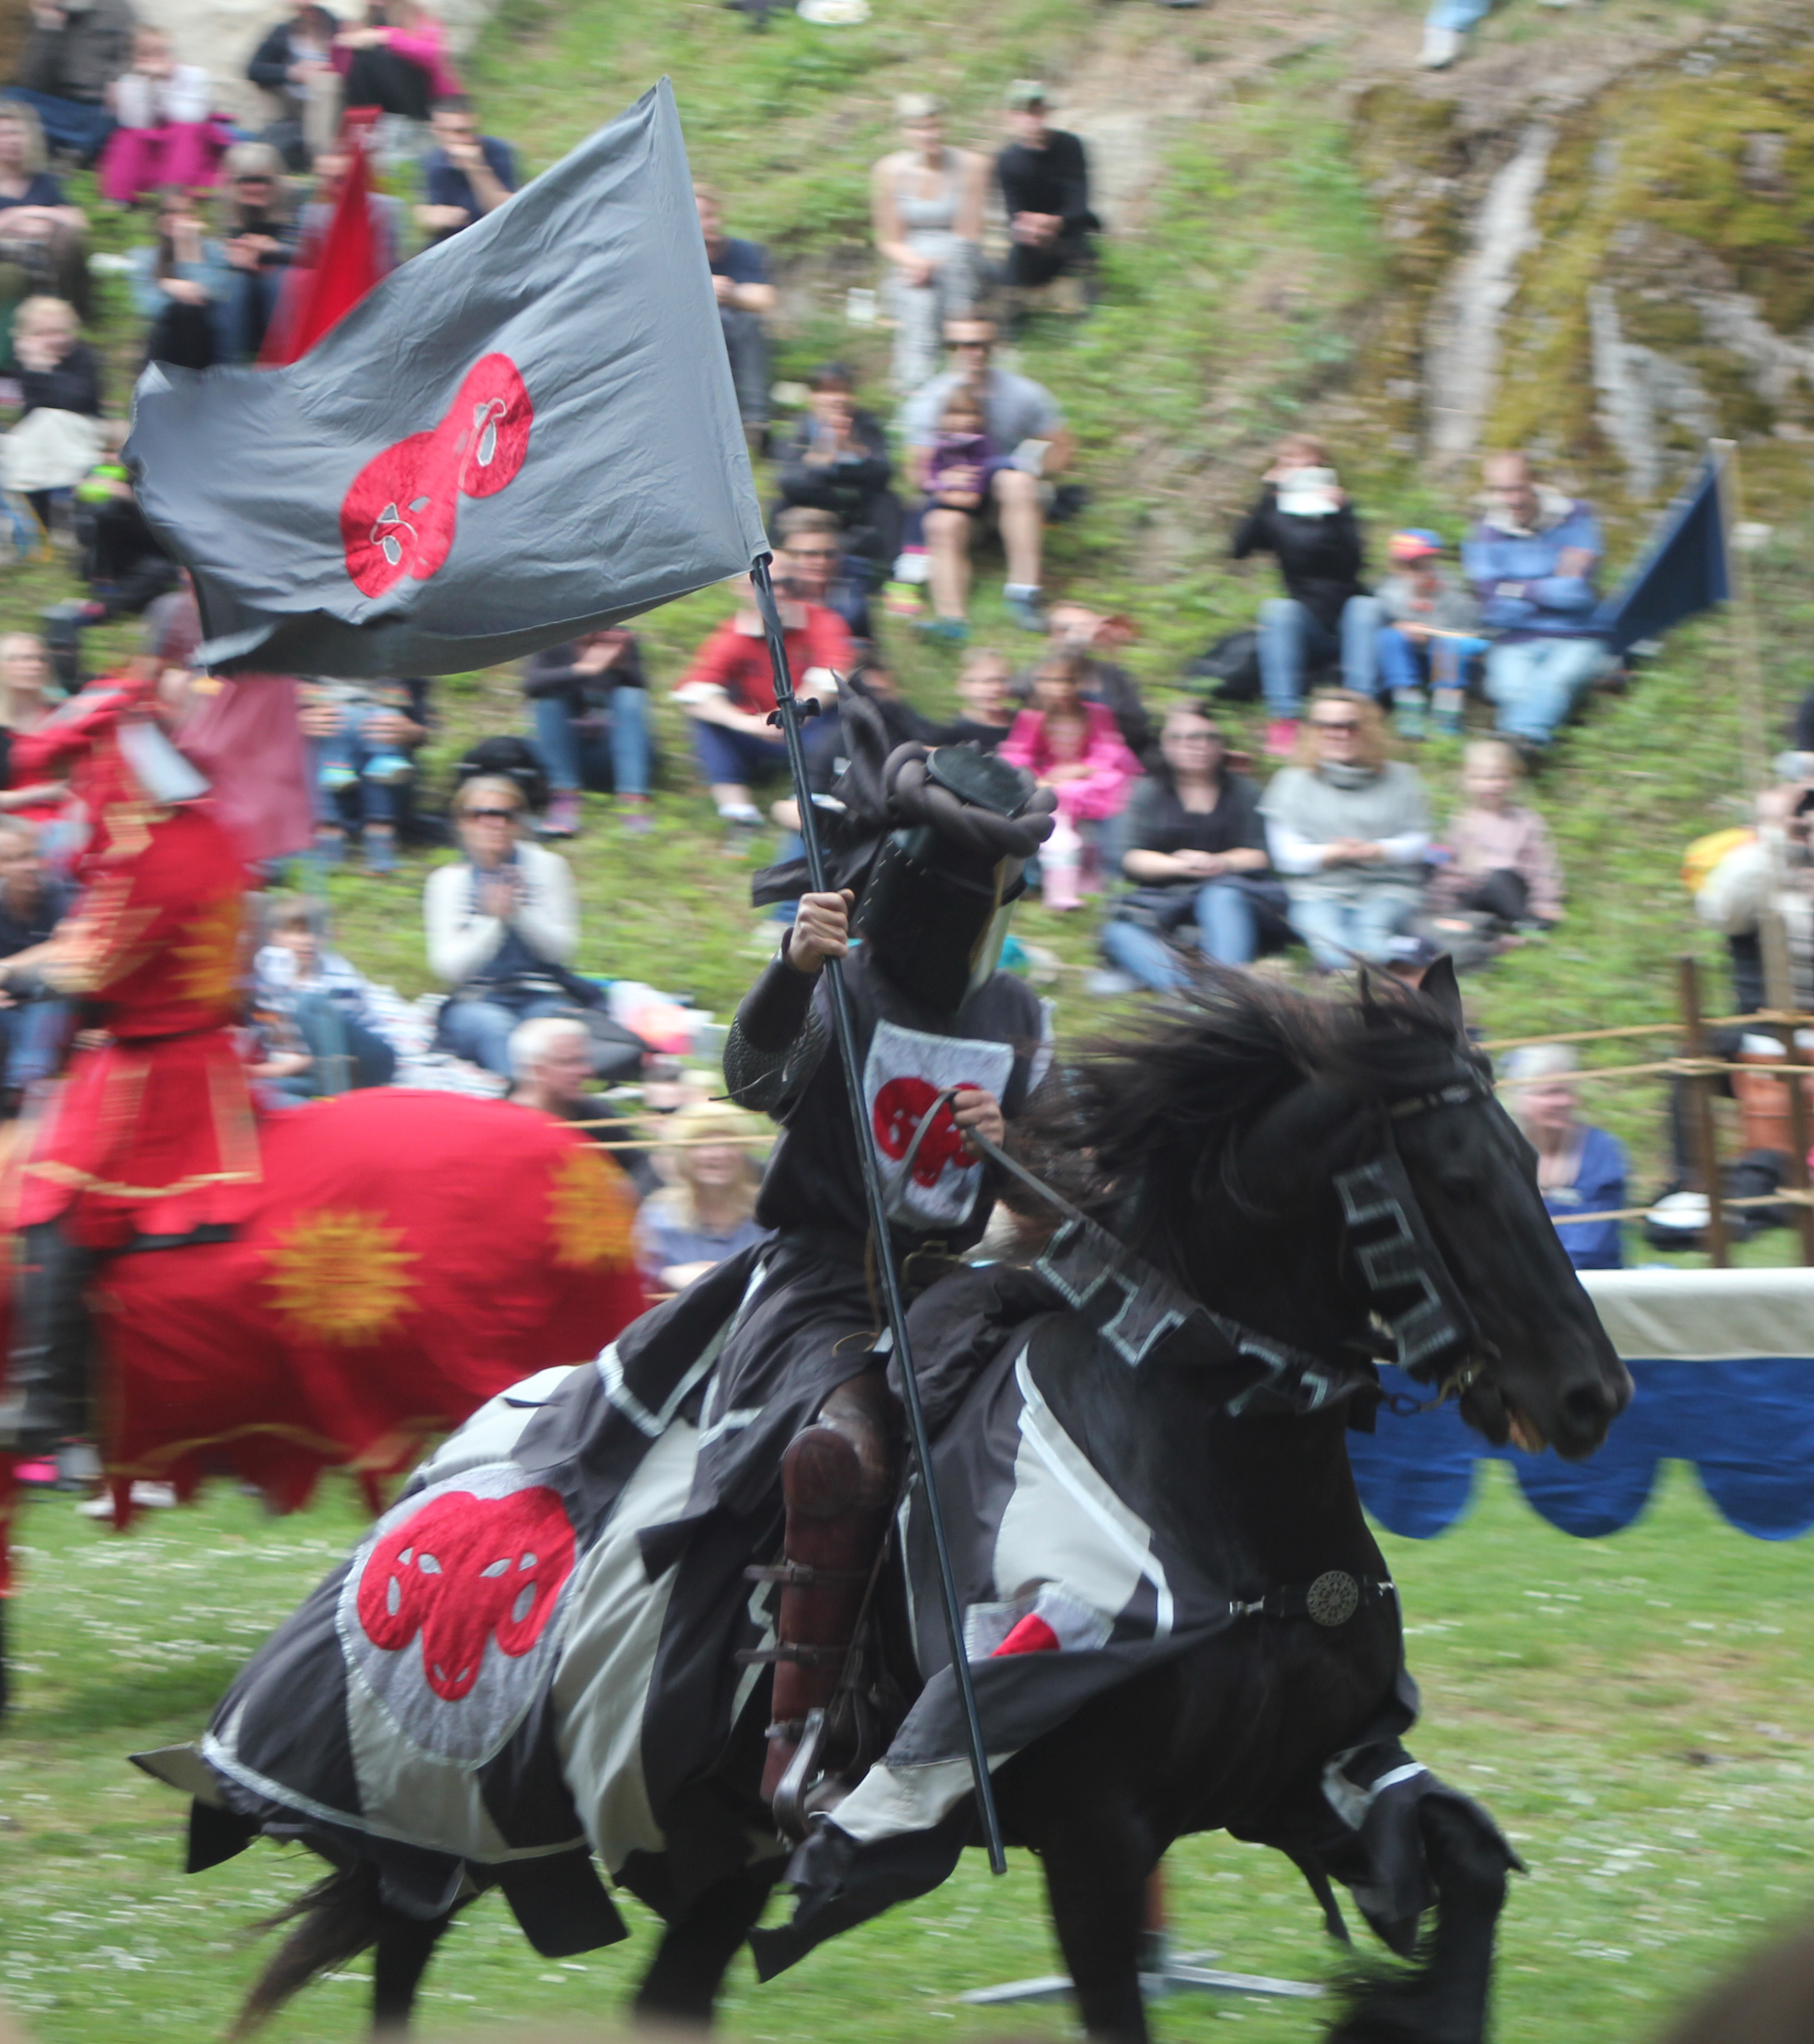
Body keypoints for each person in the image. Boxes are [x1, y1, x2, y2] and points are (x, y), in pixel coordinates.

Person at [720, 727, 1054, 1807]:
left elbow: (1051, 1205)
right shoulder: (844, 981)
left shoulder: (1016, 1015)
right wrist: (790, 972)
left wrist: (1014, 1150)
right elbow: (751, 1079)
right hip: (819, 1287)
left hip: (953, 1296)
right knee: (845, 1455)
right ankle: (798, 1739)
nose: (1007, 914)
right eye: (997, 891)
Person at [0, 680, 261, 1462]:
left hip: (156, 1073)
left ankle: (49, 1402)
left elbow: (91, 964)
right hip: (173, 1048)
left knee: (54, 1196)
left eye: (88, 767)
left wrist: (13, 976)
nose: (80, 786)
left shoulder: (153, 855)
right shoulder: (194, 833)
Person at [900, 317, 1071, 635]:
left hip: (1008, 493)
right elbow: (916, 466)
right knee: (941, 524)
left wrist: (1034, 466)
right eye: (960, 344)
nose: (971, 352)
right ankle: (952, 620)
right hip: (957, 499)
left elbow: (1061, 446)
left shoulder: (1024, 393)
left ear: (993, 347)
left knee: (1015, 481)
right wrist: (944, 483)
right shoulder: (929, 401)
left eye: (979, 344)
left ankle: (1024, 591)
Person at [1100, 701, 1280, 989]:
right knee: (1118, 932)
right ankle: (1195, 992)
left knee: (1220, 896)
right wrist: (1182, 865)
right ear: (1167, 745)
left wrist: (1221, 863)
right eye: (1187, 739)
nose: (1199, 746)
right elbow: (1129, 857)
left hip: (1232, 895)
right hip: (1166, 900)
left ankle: (1221, 986)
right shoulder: (1147, 791)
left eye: (1209, 738)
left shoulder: (1244, 790)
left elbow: (1261, 855)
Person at [1230, 433, 1381, 758]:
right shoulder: (1276, 510)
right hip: (1306, 621)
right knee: (1276, 611)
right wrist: (1266, 495)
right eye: (1289, 462)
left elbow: (1355, 564)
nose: (1297, 469)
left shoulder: (1340, 508)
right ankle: (1284, 719)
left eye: (1306, 462)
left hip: (1346, 618)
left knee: (1366, 608)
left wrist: (1339, 514)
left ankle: (1361, 717)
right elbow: (1239, 549)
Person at [424, 772, 583, 1078]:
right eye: (479, 815)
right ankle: (529, 1108)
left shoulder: (547, 867)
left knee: (548, 1036)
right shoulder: (447, 881)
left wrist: (519, 914)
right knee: (496, 1029)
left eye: (505, 816)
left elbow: (564, 950)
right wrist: (490, 922)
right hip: (477, 1000)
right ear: (462, 823)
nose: (493, 824)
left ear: (519, 824)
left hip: (541, 993)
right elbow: (448, 968)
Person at [1261, 688, 1431, 969]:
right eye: (1326, 726)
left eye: (1350, 725)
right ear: (1312, 732)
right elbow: (1286, 856)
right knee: (1330, 941)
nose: (1339, 734)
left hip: (1387, 888)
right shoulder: (1291, 783)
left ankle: (1382, 978)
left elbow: (1419, 842)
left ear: (1369, 730)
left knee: (1373, 928)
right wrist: (1335, 853)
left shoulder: (1403, 778)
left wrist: (1378, 851)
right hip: (1318, 892)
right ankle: (1359, 979)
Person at [674, 570, 854, 833]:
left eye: (785, 583)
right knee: (708, 720)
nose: (777, 592)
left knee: (845, 714)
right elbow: (694, 691)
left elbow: (836, 673)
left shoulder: (820, 621)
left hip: (810, 728)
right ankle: (738, 810)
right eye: (765, 584)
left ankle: (816, 796)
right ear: (743, 589)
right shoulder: (734, 634)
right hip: (761, 731)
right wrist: (747, 723)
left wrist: (792, 712)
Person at [1462, 452, 1607, 756]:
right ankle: (1525, 747)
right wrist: (1550, 584)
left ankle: (1515, 748)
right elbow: (1494, 609)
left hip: (1577, 635)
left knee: (1556, 679)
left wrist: (1515, 588)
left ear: (1534, 483)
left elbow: (1578, 594)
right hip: (1514, 639)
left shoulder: (1576, 518)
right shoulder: (1484, 533)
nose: (1511, 499)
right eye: (1500, 490)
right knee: (1509, 688)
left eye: (1517, 488)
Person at [999, 646, 1141, 910]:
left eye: (1066, 681)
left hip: (1089, 779)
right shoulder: (1033, 718)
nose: (1060, 689)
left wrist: (1077, 770)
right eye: (1050, 681)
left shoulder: (1097, 714)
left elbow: (1108, 752)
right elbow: (1019, 755)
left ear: (1078, 683)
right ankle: (1059, 889)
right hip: (1052, 781)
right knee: (1058, 819)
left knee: (1098, 802)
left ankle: (1091, 878)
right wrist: (1038, 779)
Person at [871, 94, 985, 394]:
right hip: (912, 258)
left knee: (955, 271)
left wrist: (932, 265)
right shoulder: (889, 170)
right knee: (920, 301)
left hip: (957, 256)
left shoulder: (971, 165)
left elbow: (969, 233)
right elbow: (889, 238)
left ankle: (963, 378)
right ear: (906, 131)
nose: (929, 135)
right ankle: (915, 387)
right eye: (919, 128)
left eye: (934, 127)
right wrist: (915, 264)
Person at [1423, 737, 1563, 955]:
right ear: (1469, 780)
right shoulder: (1459, 823)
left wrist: (1546, 903)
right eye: (1484, 778)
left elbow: (1542, 867)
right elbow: (1446, 869)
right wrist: (1440, 903)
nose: (1493, 785)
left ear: (1513, 780)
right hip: (1474, 895)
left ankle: (1525, 924)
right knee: (1432, 861)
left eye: (1501, 777)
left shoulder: (1526, 821)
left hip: (1511, 892)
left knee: (1498, 878)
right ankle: (1491, 934)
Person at [250, 899, 399, 1101]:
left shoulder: (338, 975)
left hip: (364, 1058)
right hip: (314, 1069)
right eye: (298, 932)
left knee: (308, 1003)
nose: (309, 940)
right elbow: (263, 1021)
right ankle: (317, 1107)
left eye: (317, 933)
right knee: (261, 1093)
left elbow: (341, 1042)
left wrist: (278, 1068)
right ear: (275, 936)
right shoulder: (266, 968)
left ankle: (338, 1095)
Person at [1500, 1044, 1625, 1272]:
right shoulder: (1500, 1152)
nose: (1565, 1102)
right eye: (1551, 1092)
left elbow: (1590, 1244)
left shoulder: (1601, 1151)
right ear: (1521, 1098)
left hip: (1590, 1282)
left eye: (1569, 1091)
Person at [521, 627, 652, 838]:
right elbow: (531, 684)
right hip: (567, 753)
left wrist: (621, 664)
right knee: (547, 703)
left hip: (614, 755)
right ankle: (565, 797)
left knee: (630, 697)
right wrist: (582, 669)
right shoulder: (554, 641)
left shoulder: (620, 640)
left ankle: (633, 800)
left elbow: (640, 688)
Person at [772, 362, 900, 574]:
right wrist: (821, 463)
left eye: (843, 392)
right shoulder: (800, 428)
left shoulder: (866, 425)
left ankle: (887, 571)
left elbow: (883, 473)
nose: (836, 399)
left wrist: (855, 453)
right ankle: (777, 567)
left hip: (856, 502)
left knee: (889, 503)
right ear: (812, 397)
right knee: (778, 505)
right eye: (827, 392)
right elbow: (787, 480)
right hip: (812, 497)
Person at [633, 1097, 769, 1292]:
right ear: (682, 1155)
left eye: (729, 1143)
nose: (719, 1154)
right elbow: (637, 1282)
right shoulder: (657, 1215)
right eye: (704, 1144)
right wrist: (668, 1275)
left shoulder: (768, 1210)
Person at [1372, 528, 1483, 740]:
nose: (1414, 572)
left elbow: (1469, 632)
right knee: (1390, 638)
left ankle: (1446, 716)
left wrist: (1430, 631)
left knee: (1448, 646)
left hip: (1450, 651)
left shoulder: (1454, 591)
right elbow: (1386, 621)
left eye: (1421, 564)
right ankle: (1408, 703)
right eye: (1406, 565)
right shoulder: (1389, 591)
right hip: (1411, 655)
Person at [7, 293, 102, 535]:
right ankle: (34, 513)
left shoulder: (83, 357)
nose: (53, 340)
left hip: (80, 431)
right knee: (32, 432)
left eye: (59, 332)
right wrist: (36, 367)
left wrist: (43, 368)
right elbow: (31, 409)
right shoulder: (26, 364)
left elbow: (75, 400)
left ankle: (37, 504)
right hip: (40, 441)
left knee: (48, 422)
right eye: (42, 334)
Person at [996, 80, 1095, 307]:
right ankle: (1013, 328)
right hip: (1032, 238)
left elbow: (1079, 202)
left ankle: (1093, 320)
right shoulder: (1008, 160)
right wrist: (1029, 228)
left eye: (1038, 111)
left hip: (1071, 229)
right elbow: (1014, 212)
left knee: (1084, 251)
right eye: (1026, 113)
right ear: (1012, 116)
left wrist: (1054, 222)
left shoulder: (1070, 146)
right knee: (1015, 265)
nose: (1033, 119)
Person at [98, 27, 222, 207]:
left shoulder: (194, 76)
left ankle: (176, 193)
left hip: (187, 138)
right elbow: (136, 122)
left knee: (184, 132)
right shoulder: (131, 81)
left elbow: (190, 116)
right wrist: (146, 83)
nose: (155, 59)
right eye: (145, 54)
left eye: (160, 52)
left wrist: (165, 84)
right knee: (129, 137)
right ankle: (120, 198)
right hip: (152, 140)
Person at [694, 182, 774, 452]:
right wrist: (701, 287)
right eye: (704, 217)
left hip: (735, 329)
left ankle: (755, 422)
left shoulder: (742, 252)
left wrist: (730, 294)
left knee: (747, 325)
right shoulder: (669, 253)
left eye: (714, 215)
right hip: (685, 330)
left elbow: (765, 299)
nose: (712, 223)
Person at [0, 101, 90, 339]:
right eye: (4, 134)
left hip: (45, 256)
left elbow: (79, 222)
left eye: (17, 133)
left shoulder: (43, 181)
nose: (12, 141)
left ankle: (75, 317)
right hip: (7, 261)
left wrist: (31, 215)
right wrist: (18, 218)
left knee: (70, 241)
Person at [8, 0, 137, 164]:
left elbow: (131, 57)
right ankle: (75, 149)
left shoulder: (117, 9)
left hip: (97, 107)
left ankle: (71, 149)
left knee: (114, 123)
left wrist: (118, 80)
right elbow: (33, 82)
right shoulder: (50, 10)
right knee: (11, 99)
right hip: (59, 105)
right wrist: (47, 28)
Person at [0, 816, 72, 1099]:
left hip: (50, 1001)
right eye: (13, 859)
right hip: (10, 1005)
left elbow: (69, 946)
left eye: (32, 855)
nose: (28, 866)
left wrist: (7, 968)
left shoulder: (61, 893)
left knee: (55, 981)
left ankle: (26, 1083)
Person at [212, 141, 296, 360]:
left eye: (262, 180)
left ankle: (283, 366)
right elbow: (210, 253)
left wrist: (277, 249)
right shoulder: (224, 211)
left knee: (271, 281)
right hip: (242, 285)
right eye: (245, 180)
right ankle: (230, 372)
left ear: (275, 181)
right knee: (237, 285)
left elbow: (317, 254)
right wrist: (230, 257)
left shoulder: (295, 206)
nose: (254, 188)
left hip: (285, 283)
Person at [127, 184, 220, 370]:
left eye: (183, 212)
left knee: (190, 313)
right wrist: (170, 288)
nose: (175, 219)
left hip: (207, 339)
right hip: (166, 343)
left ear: (196, 217)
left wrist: (188, 250)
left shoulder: (215, 251)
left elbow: (213, 294)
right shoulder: (143, 257)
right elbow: (148, 307)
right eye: (168, 212)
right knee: (176, 315)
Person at [1045, 600, 1153, 756]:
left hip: (1108, 763)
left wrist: (1112, 650)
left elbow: (1137, 730)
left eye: (1082, 629)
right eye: (1065, 629)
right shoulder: (1034, 678)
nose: (1074, 637)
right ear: (1052, 635)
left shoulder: (1115, 678)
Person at [336, 0, 458, 127]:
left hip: (426, 105)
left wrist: (383, 37)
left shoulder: (422, 17)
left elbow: (433, 54)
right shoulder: (363, 20)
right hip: (376, 107)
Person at [246, 1, 340, 163]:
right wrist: (292, 73)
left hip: (335, 106)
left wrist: (325, 69)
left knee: (325, 85)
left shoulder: (338, 30)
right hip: (295, 107)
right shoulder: (283, 32)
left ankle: (320, 155)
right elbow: (254, 70)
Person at [414, 93, 514, 243]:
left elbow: (508, 212)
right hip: (452, 245)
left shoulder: (497, 152)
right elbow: (423, 210)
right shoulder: (433, 161)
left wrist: (476, 168)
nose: (467, 139)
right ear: (437, 131)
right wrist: (431, 218)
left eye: (471, 131)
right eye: (458, 132)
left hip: (492, 240)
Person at [299, 137, 402, 275]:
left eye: (340, 180)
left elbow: (383, 264)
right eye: (322, 178)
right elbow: (308, 262)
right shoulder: (313, 213)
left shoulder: (384, 210)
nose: (327, 187)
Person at [772, 504, 873, 644]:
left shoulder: (854, 591)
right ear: (788, 555)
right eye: (811, 555)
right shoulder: (772, 596)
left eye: (830, 554)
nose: (822, 562)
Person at [938, 645, 1017, 750]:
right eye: (986, 682)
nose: (996, 688)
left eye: (1002, 680)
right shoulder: (949, 730)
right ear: (961, 686)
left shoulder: (1026, 725)